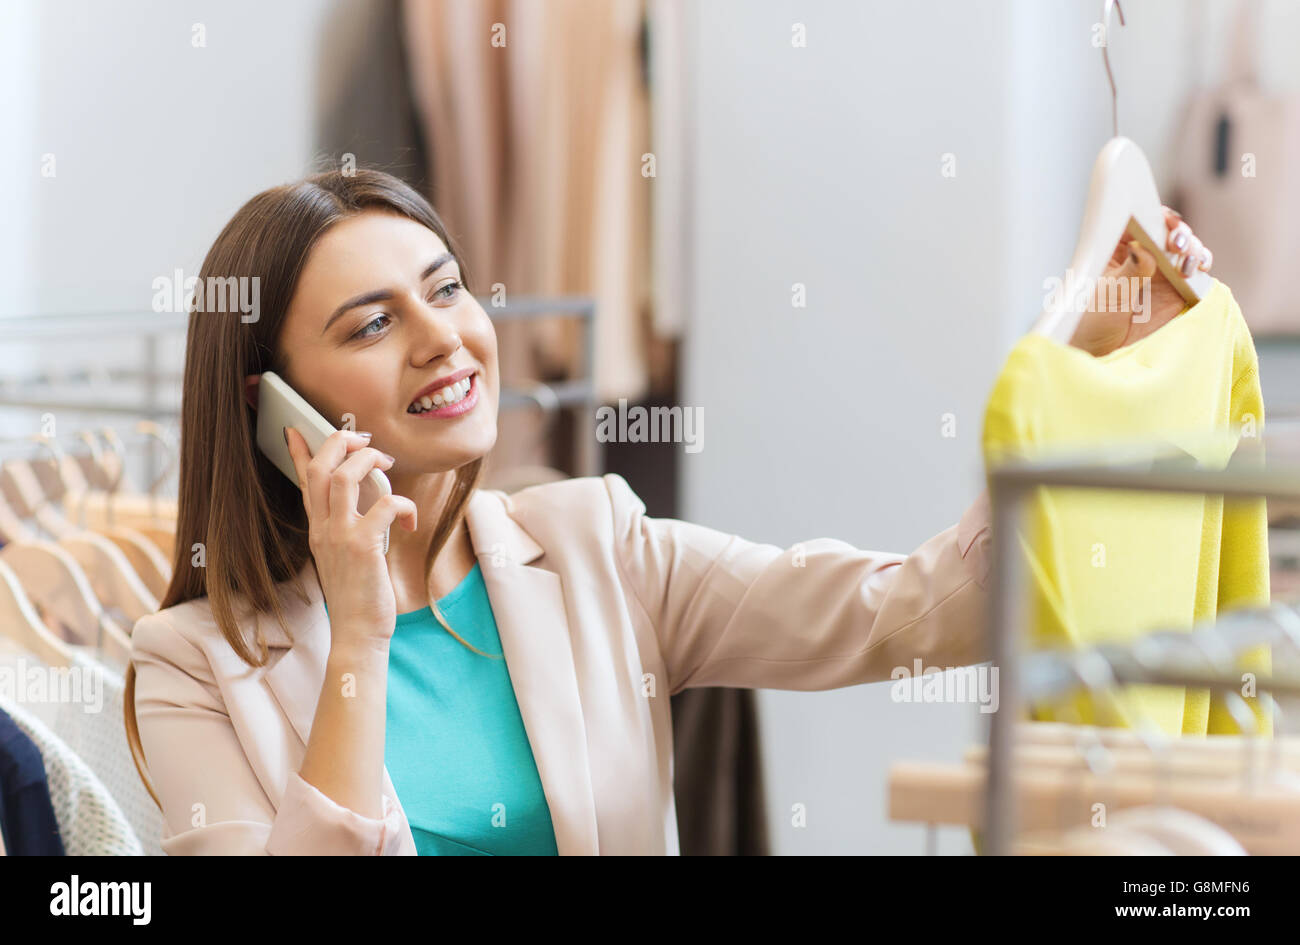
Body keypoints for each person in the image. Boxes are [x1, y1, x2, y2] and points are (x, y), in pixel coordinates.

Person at [125, 169, 1214, 855]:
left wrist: (1095, 363)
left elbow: (911, 613)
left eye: (447, 288)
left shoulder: (595, 542)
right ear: (273, 409)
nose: (441, 338)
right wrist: (360, 628)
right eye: (371, 324)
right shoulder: (189, 665)